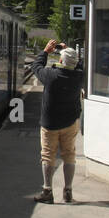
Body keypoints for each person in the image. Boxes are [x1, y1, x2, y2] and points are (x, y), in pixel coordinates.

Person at [30, 39, 85, 203]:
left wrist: (46, 51)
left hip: (50, 123)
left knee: (48, 156)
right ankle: (68, 191)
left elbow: (36, 67)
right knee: (69, 155)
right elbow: (80, 63)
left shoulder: (51, 75)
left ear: (60, 60)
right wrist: (69, 51)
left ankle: (47, 191)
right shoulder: (79, 75)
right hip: (70, 122)